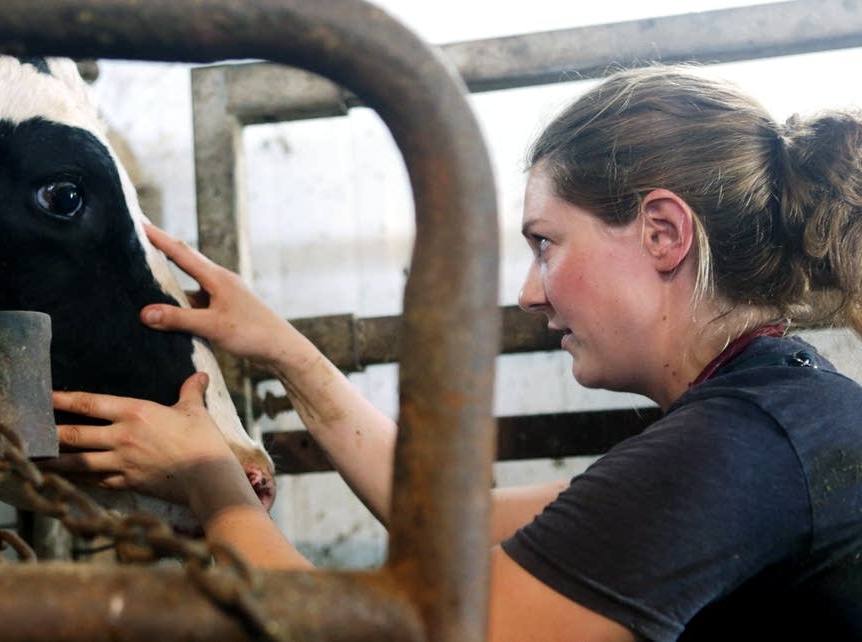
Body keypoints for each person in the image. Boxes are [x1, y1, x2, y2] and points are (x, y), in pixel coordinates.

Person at [48, 65, 862, 641]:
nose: (530, 293)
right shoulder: (781, 408)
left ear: (663, 232)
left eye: (546, 243)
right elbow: (461, 524)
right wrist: (291, 356)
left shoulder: (736, 450)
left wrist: (210, 479)